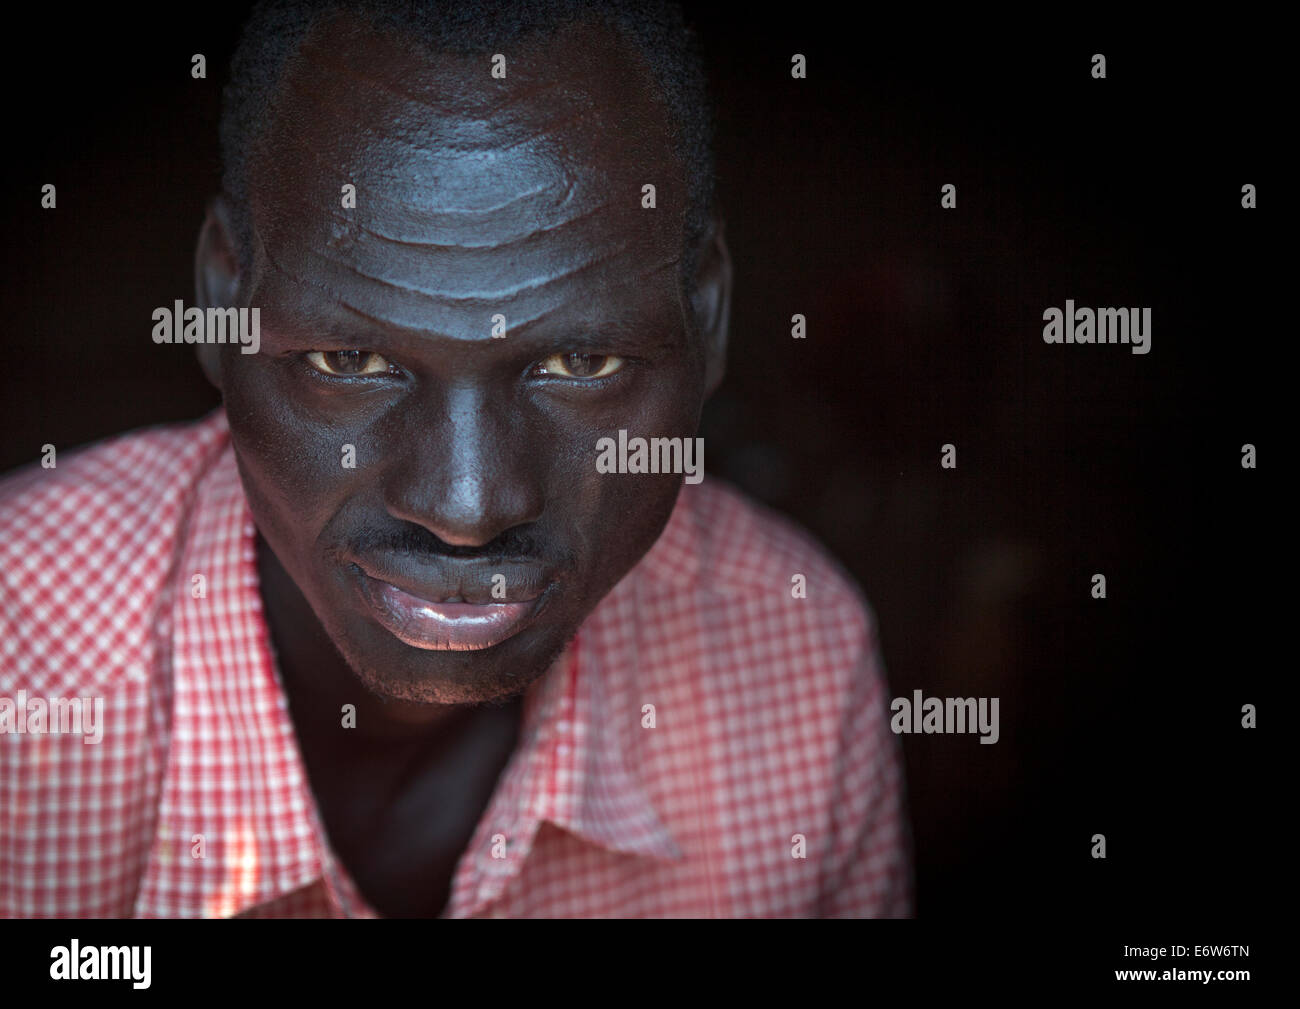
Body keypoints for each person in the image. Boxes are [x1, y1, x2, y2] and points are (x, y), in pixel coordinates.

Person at [0, 0, 911, 918]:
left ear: (706, 319)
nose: (467, 508)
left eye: (580, 364)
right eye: (351, 362)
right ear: (218, 301)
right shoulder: (19, 668)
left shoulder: (797, 653)